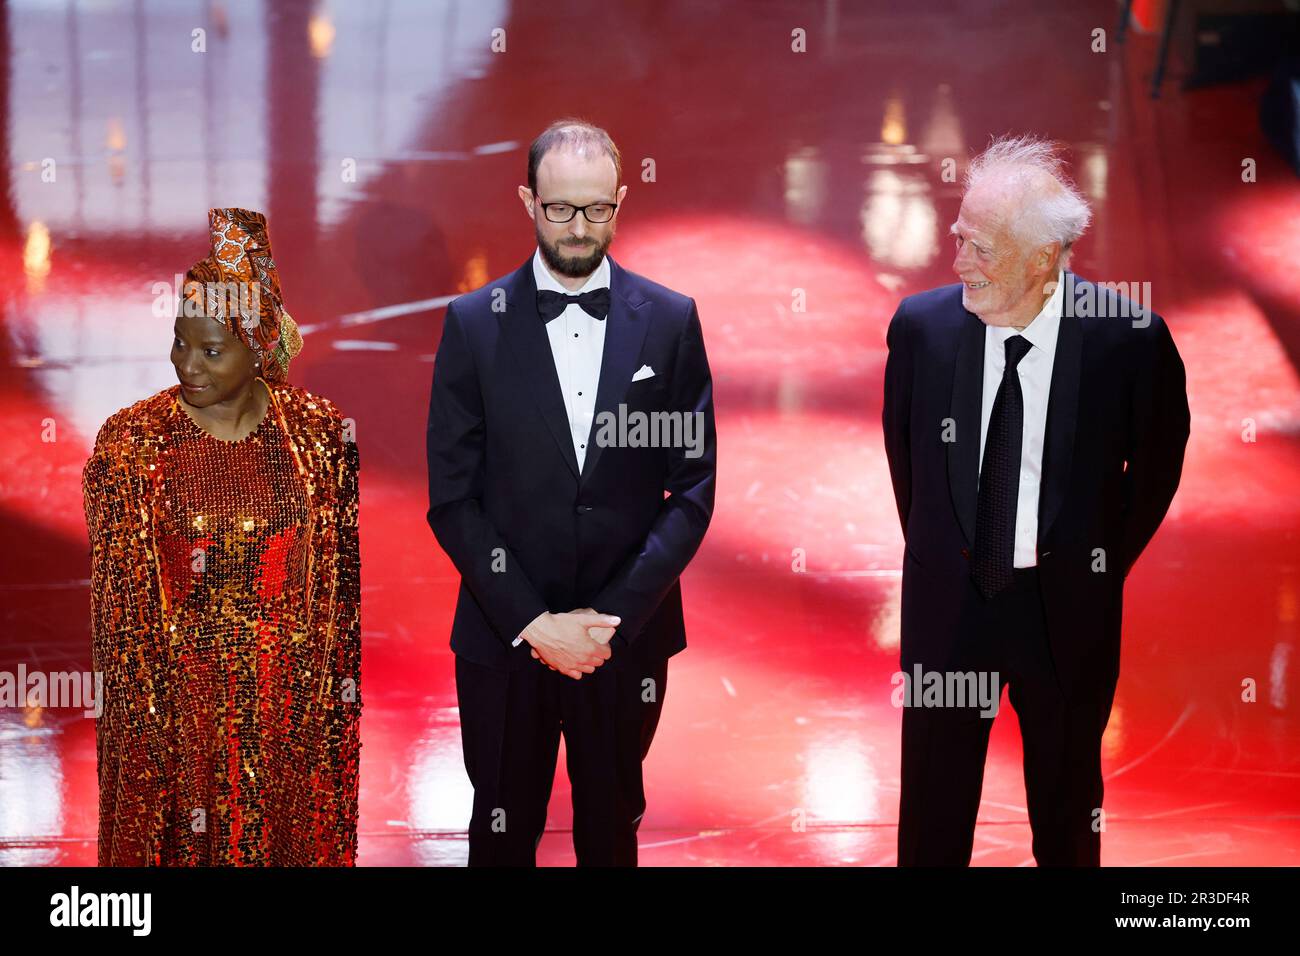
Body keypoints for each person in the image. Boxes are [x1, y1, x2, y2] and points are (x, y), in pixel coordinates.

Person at [881, 136, 1190, 866]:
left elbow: (1154, 472)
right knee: (932, 806)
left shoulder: (1131, 340)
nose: (959, 262)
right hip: (950, 606)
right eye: (959, 238)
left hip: (1065, 613)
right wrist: (946, 556)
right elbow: (908, 467)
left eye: (981, 249)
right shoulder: (922, 331)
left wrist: (1095, 565)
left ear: (1044, 257)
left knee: (1066, 802)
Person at [426, 119, 716, 866]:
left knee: (611, 831)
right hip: (504, 636)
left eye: (596, 209)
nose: (579, 229)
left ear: (620, 200)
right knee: (500, 828)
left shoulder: (672, 322)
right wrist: (533, 622)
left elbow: (691, 489)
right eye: (560, 209)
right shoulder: (471, 325)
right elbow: (454, 498)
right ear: (528, 201)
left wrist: (610, 619)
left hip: (624, 641)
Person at [82, 207, 362, 865]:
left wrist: (319, 714)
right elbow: (118, 620)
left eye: (212, 349)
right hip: (178, 712)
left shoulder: (318, 434)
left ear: (257, 348)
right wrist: (146, 733)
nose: (190, 365)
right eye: (181, 342)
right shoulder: (132, 441)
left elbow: (336, 598)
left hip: (285, 708)